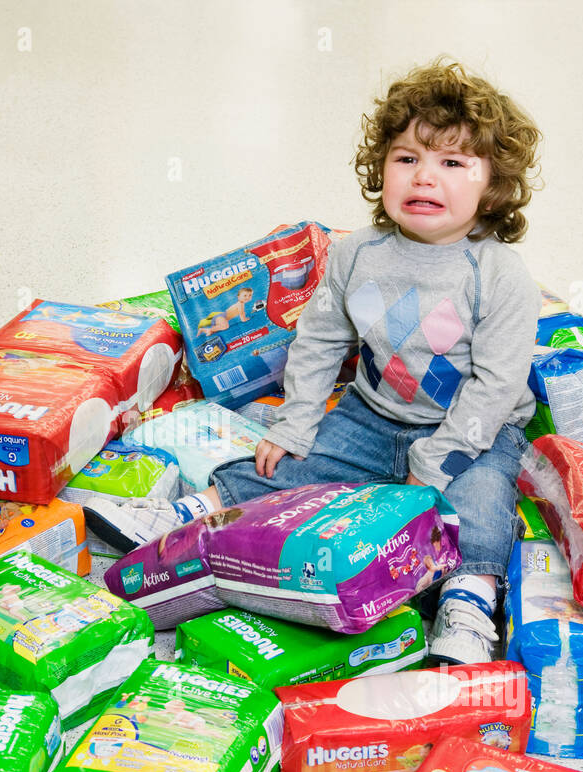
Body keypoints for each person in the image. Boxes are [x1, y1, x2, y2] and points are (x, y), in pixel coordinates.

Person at [85, 59, 543, 665]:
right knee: (290, 467)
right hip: (371, 416)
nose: (424, 177)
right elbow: (322, 338)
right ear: (381, 168)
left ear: (494, 185)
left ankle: (468, 601)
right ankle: (191, 516)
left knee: (482, 501)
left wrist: (438, 460)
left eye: (452, 163)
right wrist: (296, 420)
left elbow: (496, 384)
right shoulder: (356, 253)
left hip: (474, 431)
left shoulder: (500, 274)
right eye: (407, 159)